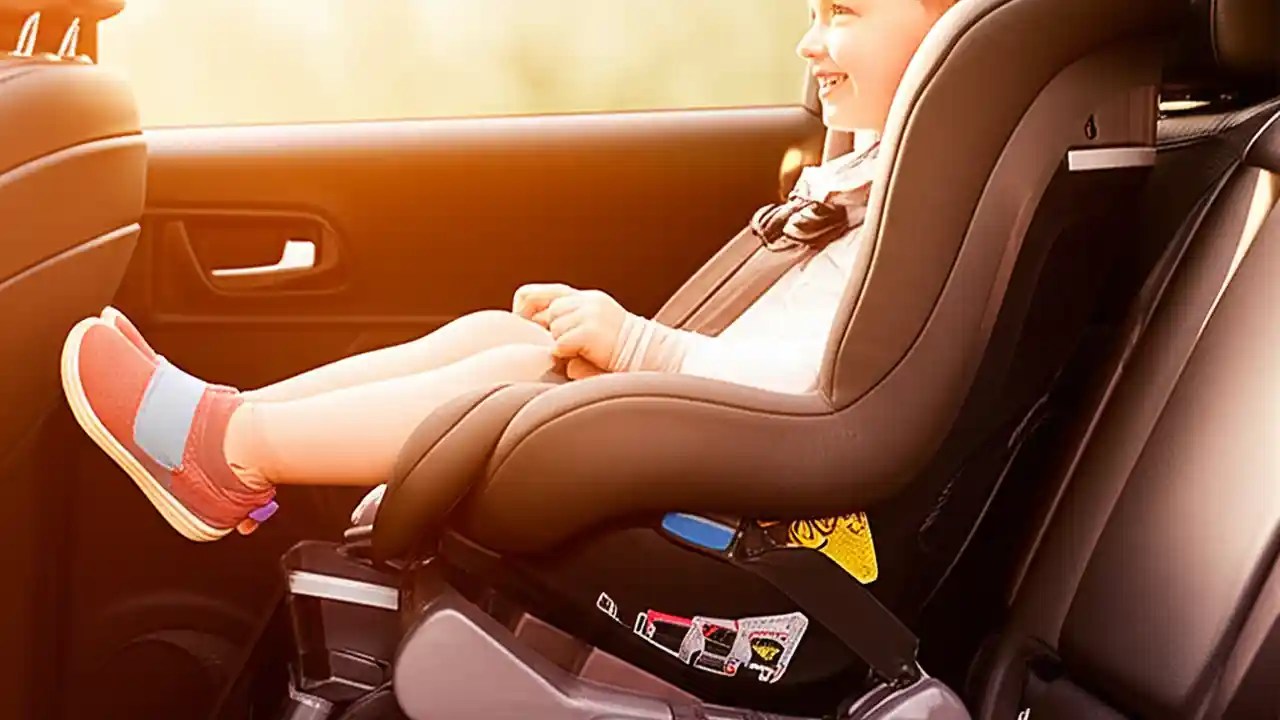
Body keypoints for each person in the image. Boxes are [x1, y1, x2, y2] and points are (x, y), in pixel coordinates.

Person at [59, 0, 959, 543]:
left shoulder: (928, 213)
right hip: (728, 429)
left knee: (522, 374)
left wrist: (644, 348)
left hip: (767, 486)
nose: (809, 43)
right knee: (507, 336)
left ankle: (228, 451)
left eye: (842, 14)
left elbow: (823, 386)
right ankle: (229, 428)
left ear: (955, 36)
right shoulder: (882, 172)